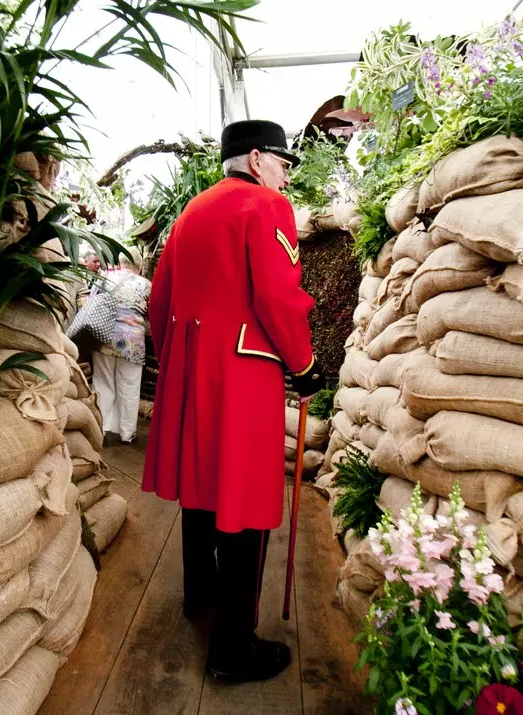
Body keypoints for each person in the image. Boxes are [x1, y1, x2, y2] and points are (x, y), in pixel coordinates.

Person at [141, 120, 324, 684]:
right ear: (255, 159)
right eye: (282, 163)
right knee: (243, 502)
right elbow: (277, 295)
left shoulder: (191, 211)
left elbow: (159, 300)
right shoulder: (265, 206)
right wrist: (305, 364)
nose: (286, 176)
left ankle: (201, 596)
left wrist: (179, 359)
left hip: (192, 367)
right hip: (244, 372)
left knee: (201, 489)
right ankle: (233, 648)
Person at [91, 247, 151, 444]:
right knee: (129, 387)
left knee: (102, 383)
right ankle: (127, 433)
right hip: (132, 344)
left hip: (103, 337)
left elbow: (91, 302)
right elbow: (152, 313)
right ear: (139, 265)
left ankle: (101, 428)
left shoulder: (103, 278)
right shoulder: (145, 284)